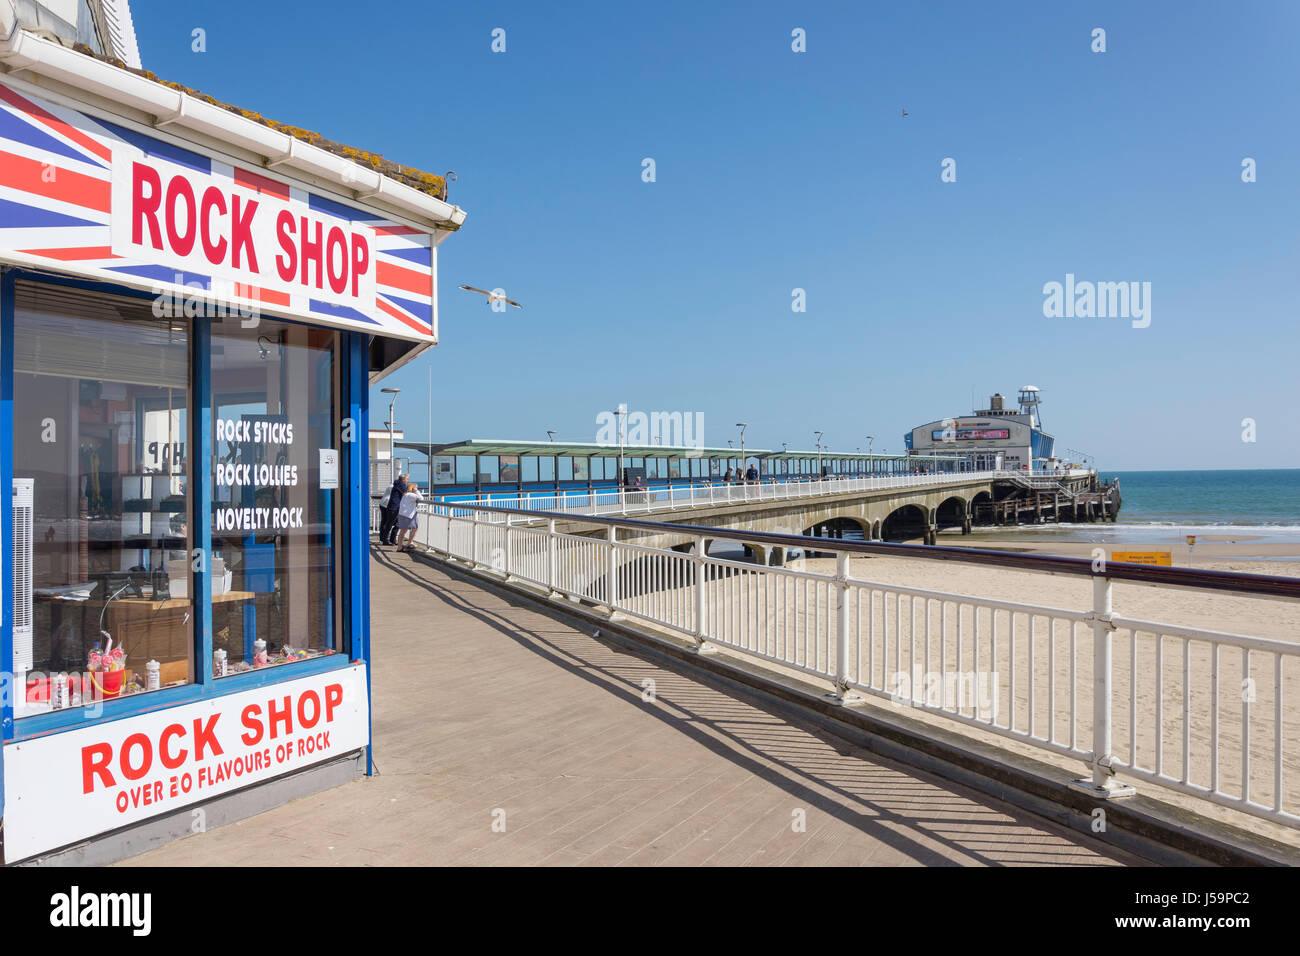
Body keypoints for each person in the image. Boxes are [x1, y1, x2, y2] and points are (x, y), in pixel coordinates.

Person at [379, 472, 407, 545]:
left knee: (390, 523)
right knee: (390, 523)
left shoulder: (396, 484)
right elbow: (405, 493)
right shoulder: (401, 485)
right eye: (407, 479)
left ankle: (388, 539)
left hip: (389, 505)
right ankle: (386, 539)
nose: (408, 480)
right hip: (392, 507)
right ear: (404, 479)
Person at [395, 484, 423, 550]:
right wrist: (417, 491)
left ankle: (404, 545)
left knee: (409, 529)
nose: (417, 488)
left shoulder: (406, 494)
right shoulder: (411, 495)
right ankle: (402, 546)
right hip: (407, 515)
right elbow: (421, 498)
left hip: (403, 514)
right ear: (413, 488)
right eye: (416, 487)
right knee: (407, 530)